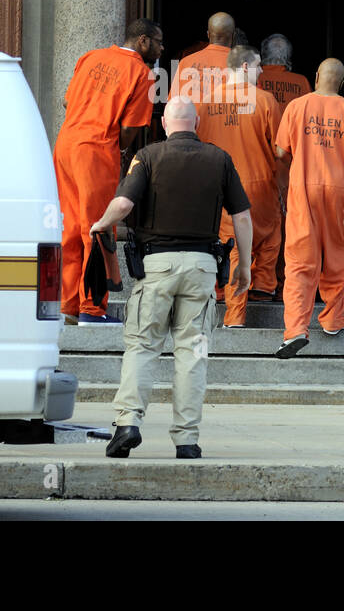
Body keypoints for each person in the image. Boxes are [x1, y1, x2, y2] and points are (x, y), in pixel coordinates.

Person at [91, 97, 253, 459]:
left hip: (157, 269)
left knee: (142, 346)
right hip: (201, 270)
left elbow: (124, 205)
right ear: (196, 122)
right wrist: (244, 268)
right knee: (193, 355)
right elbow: (242, 216)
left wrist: (102, 224)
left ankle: (128, 423)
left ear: (164, 123)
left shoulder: (147, 157)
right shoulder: (220, 159)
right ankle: (187, 440)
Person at [53, 19, 164, 326]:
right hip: (96, 149)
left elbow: (67, 101)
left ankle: (67, 305)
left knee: (71, 227)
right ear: (143, 41)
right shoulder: (142, 73)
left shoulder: (90, 57)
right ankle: (91, 308)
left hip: (65, 144)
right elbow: (129, 128)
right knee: (100, 228)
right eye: (158, 42)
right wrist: (121, 150)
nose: (161, 48)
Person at [273, 58, 344, 358]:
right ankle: (333, 319)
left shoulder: (296, 107)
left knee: (299, 259)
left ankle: (295, 330)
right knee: (337, 253)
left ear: (317, 76)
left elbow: (280, 151)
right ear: (341, 83)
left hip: (303, 189)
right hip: (342, 195)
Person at [194, 45, 280, 326]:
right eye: (258, 66)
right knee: (268, 237)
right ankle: (257, 294)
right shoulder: (265, 100)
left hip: (215, 185)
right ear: (245, 67)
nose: (262, 71)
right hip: (257, 184)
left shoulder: (205, 101)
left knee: (227, 245)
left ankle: (227, 301)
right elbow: (280, 149)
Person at [257, 33, 312, 300]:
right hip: (290, 165)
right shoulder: (300, 82)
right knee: (290, 228)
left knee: (254, 226)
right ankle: (283, 285)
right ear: (288, 59)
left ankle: (257, 284)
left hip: (256, 161)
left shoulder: (254, 80)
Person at [169, 11, 234, 102]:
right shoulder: (242, 65)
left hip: (191, 115)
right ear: (233, 36)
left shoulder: (185, 62)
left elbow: (173, 104)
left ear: (208, 34)